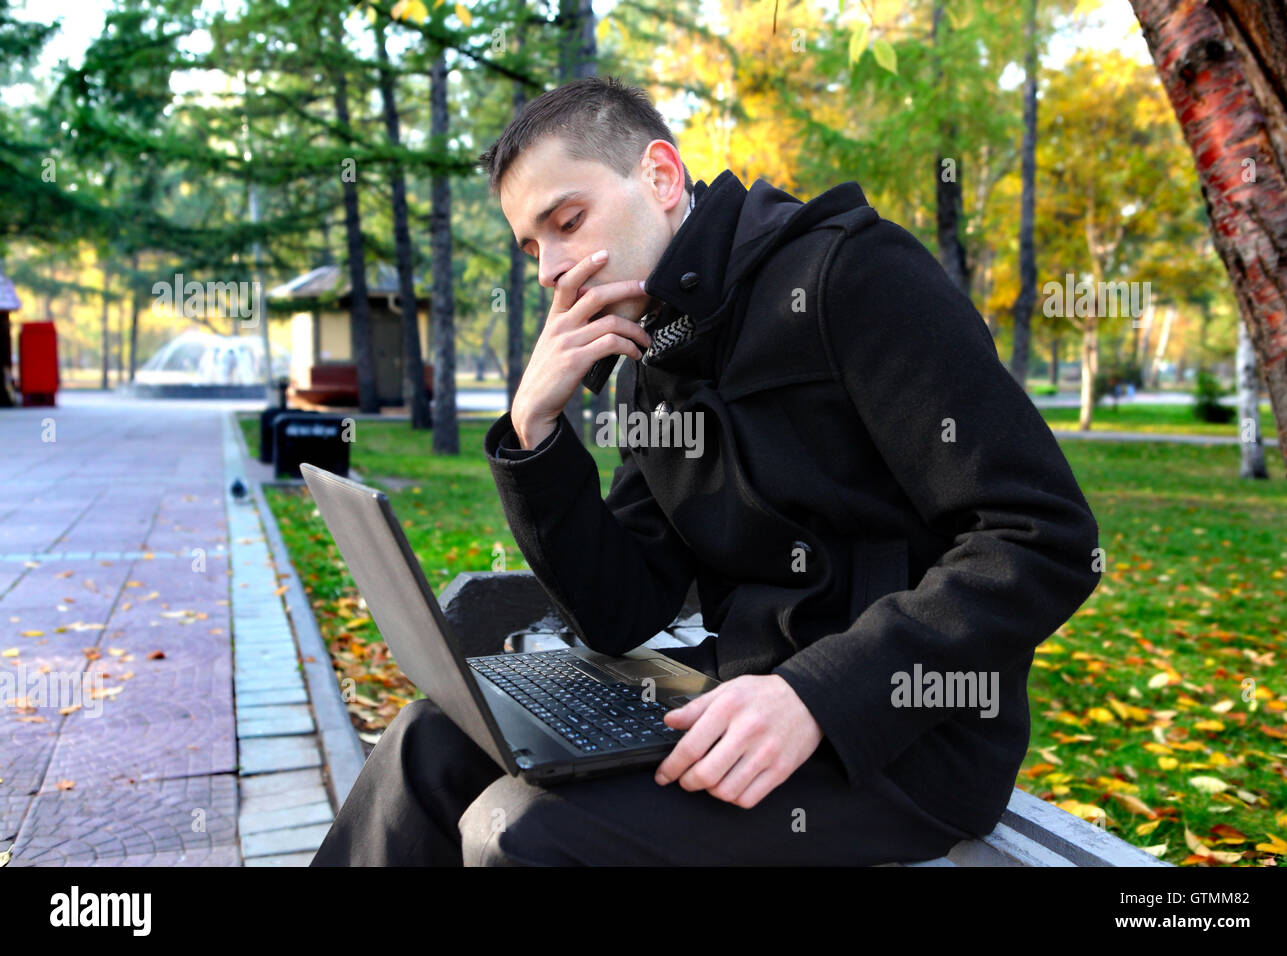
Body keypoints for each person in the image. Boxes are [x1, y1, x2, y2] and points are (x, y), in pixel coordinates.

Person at [310, 75, 1102, 866]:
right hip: (730, 701)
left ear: (660, 176)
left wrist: (818, 695)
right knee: (428, 746)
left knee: (520, 832)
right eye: (532, 247)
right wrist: (535, 435)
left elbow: (1039, 537)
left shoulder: (853, 275)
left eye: (567, 221)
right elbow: (621, 611)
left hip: (902, 745)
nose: (551, 269)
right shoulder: (653, 361)